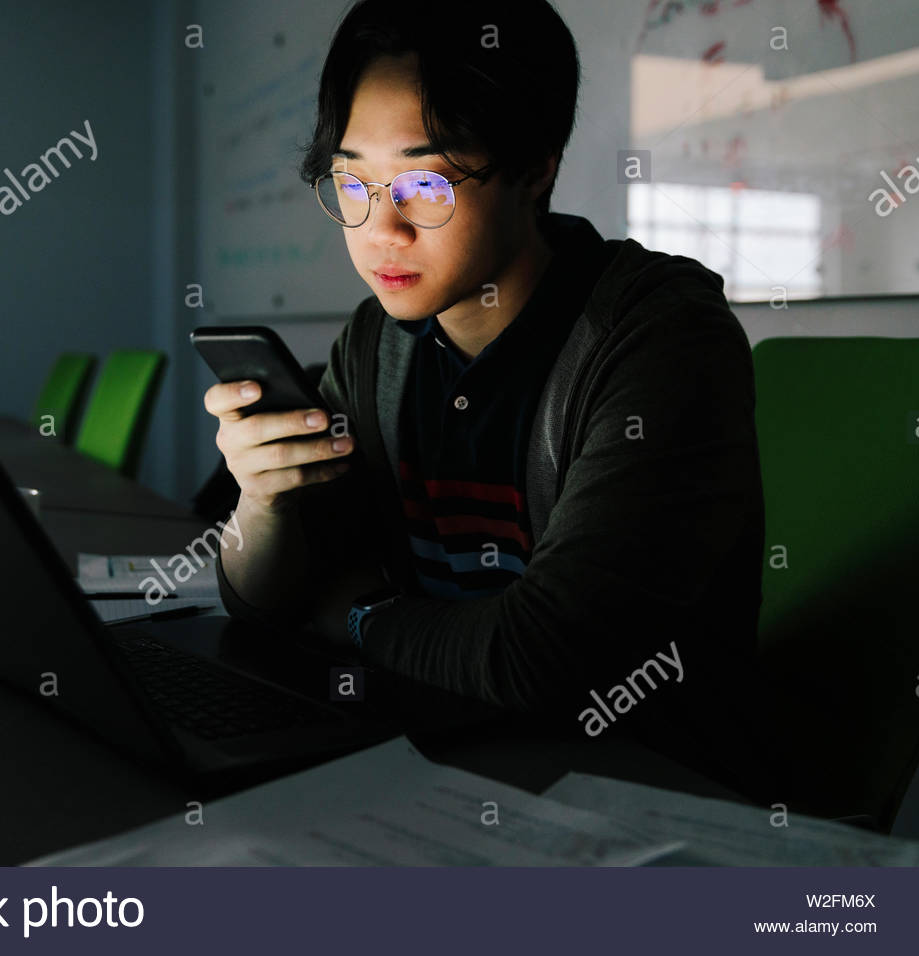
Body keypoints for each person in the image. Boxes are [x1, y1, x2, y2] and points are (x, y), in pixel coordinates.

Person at [202, 0, 767, 798]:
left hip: (638, 796)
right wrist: (263, 503)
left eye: (425, 183)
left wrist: (357, 614)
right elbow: (263, 604)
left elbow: (543, 655)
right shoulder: (375, 344)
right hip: (439, 763)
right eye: (352, 182)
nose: (382, 229)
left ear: (535, 168)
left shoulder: (659, 337)